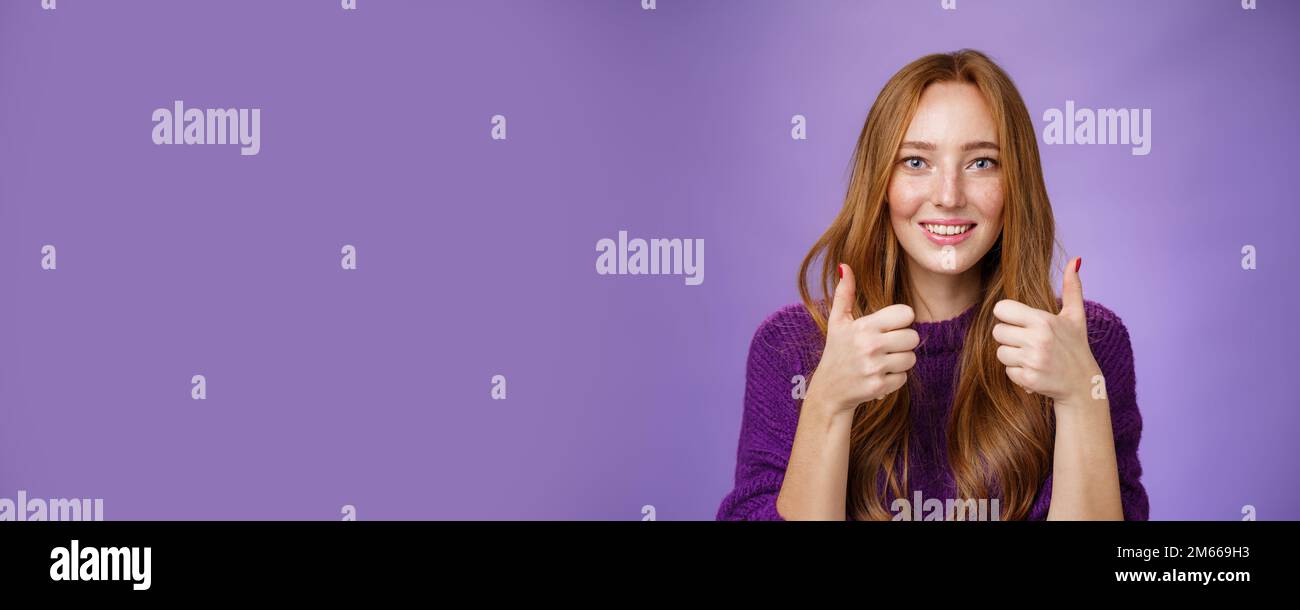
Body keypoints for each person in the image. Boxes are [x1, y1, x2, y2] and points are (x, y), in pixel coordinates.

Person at [717, 49, 1148, 521]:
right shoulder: (792, 347)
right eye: (916, 162)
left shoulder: (1089, 345)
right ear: (879, 181)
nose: (948, 196)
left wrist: (1080, 399)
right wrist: (826, 404)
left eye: (982, 162)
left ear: (1016, 182)